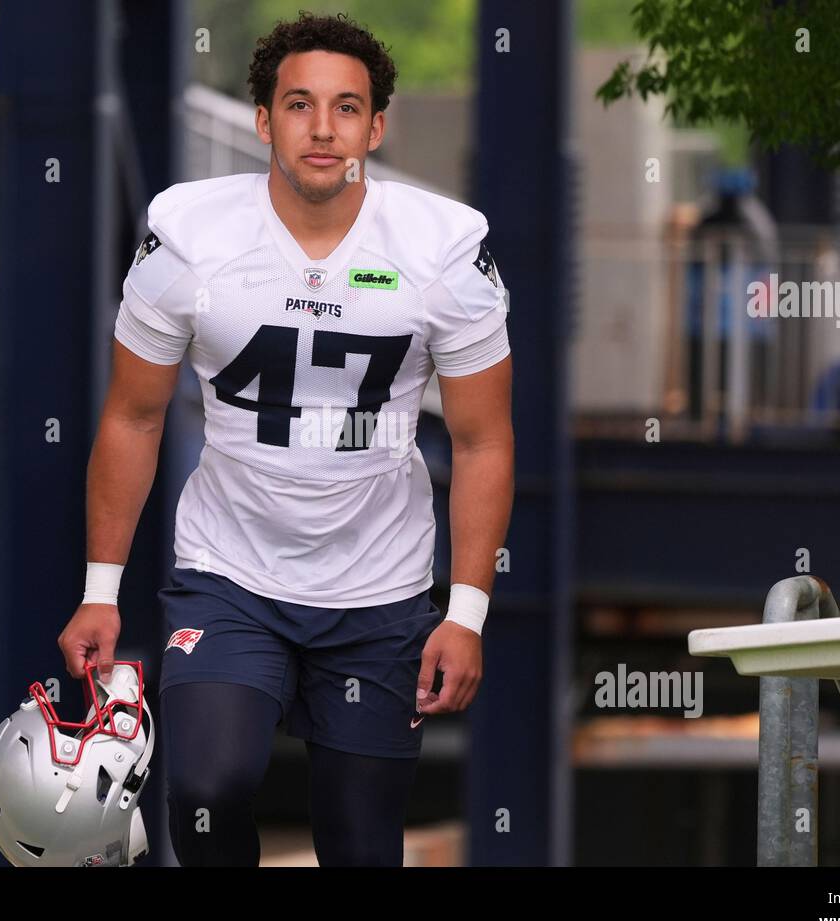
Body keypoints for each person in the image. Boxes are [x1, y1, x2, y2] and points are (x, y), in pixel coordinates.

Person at [57, 12, 513, 867]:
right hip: (231, 573)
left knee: (362, 844)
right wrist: (100, 589)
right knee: (205, 787)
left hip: (378, 587)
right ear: (263, 120)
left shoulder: (443, 250)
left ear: (376, 127)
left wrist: (466, 613)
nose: (322, 127)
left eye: (347, 108)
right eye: (299, 104)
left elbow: (485, 441)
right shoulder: (192, 237)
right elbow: (133, 415)